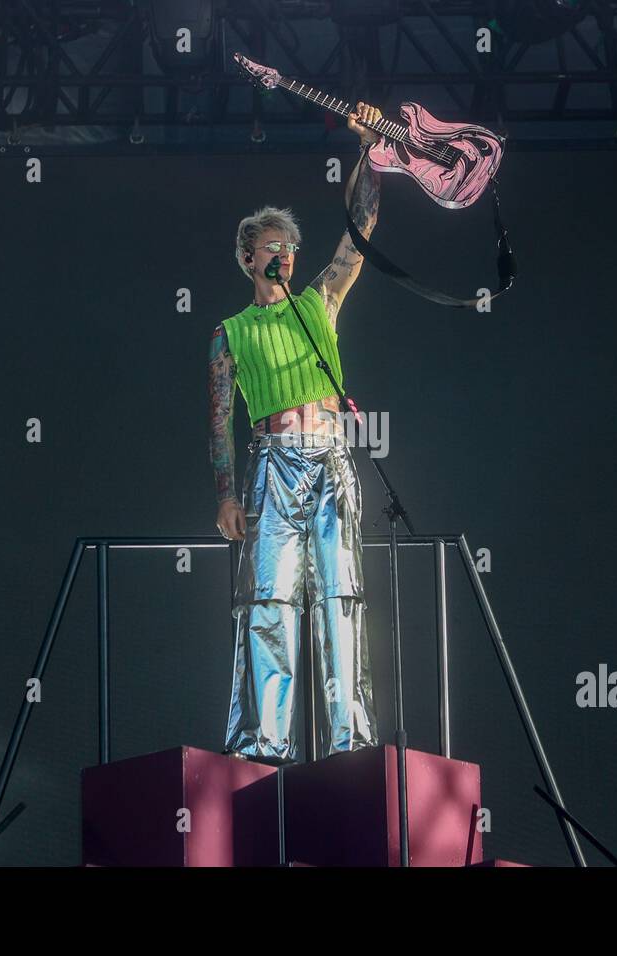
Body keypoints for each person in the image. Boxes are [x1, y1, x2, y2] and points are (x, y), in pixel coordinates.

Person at [209, 101, 385, 766]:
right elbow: (219, 420)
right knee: (267, 603)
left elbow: (359, 230)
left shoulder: (319, 304)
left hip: (331, 458)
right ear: (248, 256)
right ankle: (260, 751)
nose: (284, 253)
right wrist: (227, 495)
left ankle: (351, 749)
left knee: (341, 598)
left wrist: (371, 149)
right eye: (271, 245)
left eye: (290, 246)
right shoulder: (230, 333)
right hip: (271, 464)